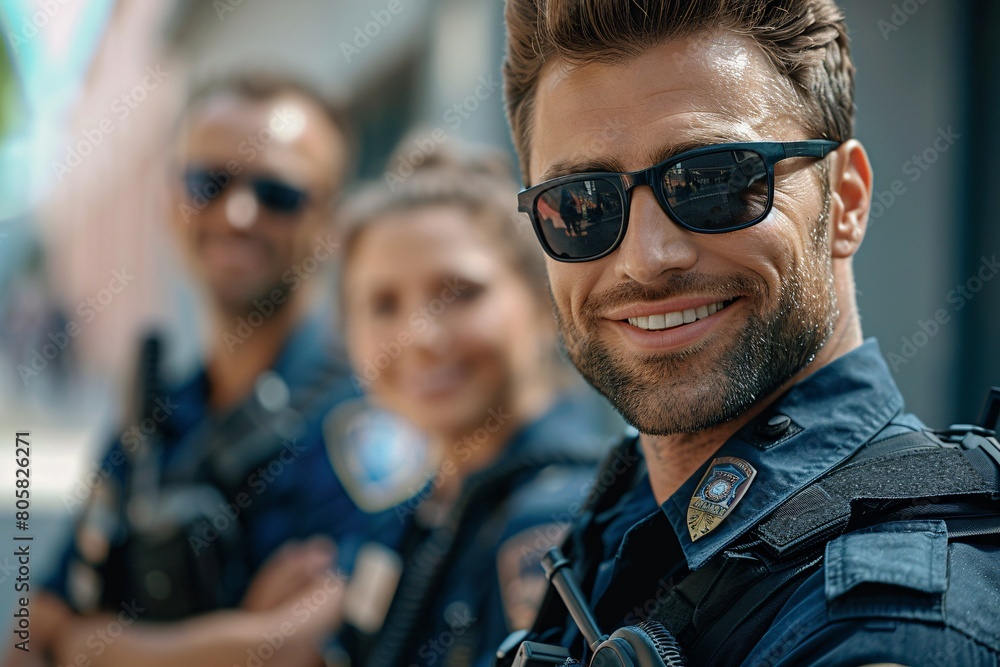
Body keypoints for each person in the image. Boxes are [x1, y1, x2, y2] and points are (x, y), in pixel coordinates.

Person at [495, 1, 1000, 665]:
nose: (646, 259)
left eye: (716, 181)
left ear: (846, 200)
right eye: (581, 205)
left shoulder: (893, 628)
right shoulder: (618, 526)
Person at [18, 74, 413, 667]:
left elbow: (318, 643)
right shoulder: (153, 415)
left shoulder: (378, 420)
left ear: (330, 223)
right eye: (208, 183)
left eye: (279, 192)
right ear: (170, 202)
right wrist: (239, 639)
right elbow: (35, 626)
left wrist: (88, 647)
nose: (238, 213)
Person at [324, 146, 614, 667]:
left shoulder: (558, 518)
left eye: (460, 293)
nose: (420, 337)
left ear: (544, 300)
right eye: (383, 304)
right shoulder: (416, 516)